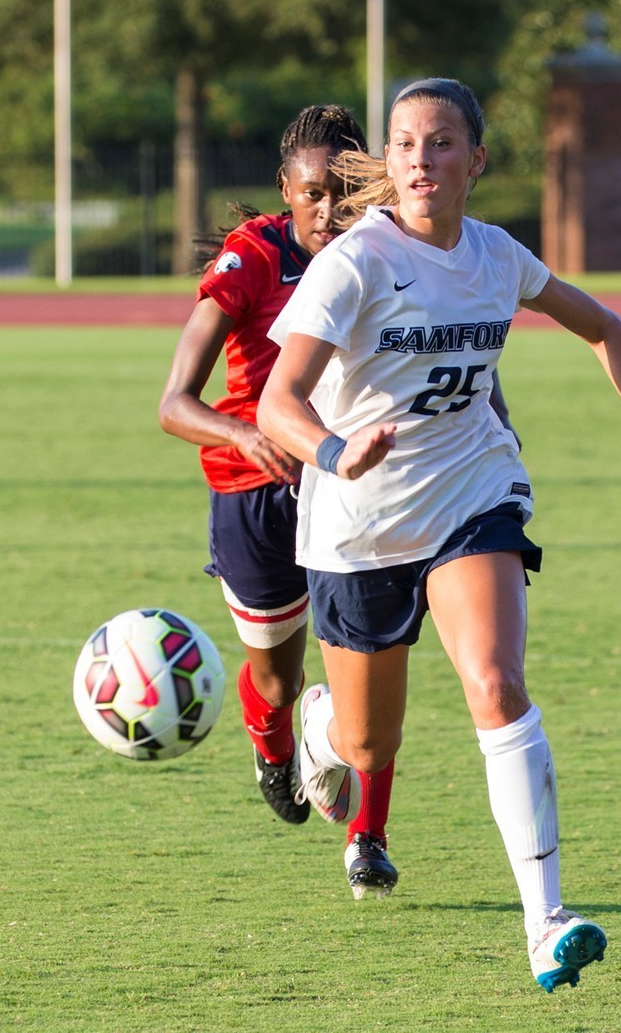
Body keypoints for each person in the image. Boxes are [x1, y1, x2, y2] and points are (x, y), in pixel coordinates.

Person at [257, 78, 621, 991]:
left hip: (472, 496)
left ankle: (547, 921)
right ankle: (321, 732)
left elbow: (602, 326)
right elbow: (277, 402)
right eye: (407, 143)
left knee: (497, 684)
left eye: (443, 141)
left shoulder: (498, 258)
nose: (422, 158)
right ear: (388, 162)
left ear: (476, 161)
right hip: (357, 525)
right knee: (369, 745)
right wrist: (337, 453)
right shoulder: (357, 263)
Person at [157, 105, 405, 900]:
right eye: (311, 194)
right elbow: (173, 403)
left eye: (343, 191)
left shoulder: (386, 245)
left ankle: (368, 839)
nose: (328, 210)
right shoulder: (252, 257)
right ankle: (277, 743)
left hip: (348, 484)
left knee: (370, 664)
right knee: (276, 678)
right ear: (284, 191)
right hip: (254, 498)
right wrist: (244, 433)